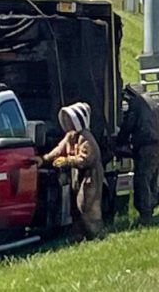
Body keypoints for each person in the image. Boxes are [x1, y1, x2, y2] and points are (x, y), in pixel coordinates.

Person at [39, 102, 104, 240]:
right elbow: (59, 149)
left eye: (70, 119)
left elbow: (86, 159)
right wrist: (44, 159)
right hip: (77, 175)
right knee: (75, 206)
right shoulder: (70, 136)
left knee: (87, 205)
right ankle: (80, 235)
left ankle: (96, 235)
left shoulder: (86, 138)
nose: (67, 122)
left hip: (90, 176)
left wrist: (67, 161)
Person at [117, 84, 159, 226]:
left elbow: (129, 124)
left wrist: (120, 140)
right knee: (153, 178)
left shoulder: (137, 103)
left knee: (142, 179)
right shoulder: (153, 101)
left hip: (146, 145)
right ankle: (151, 208)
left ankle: (145, 215)